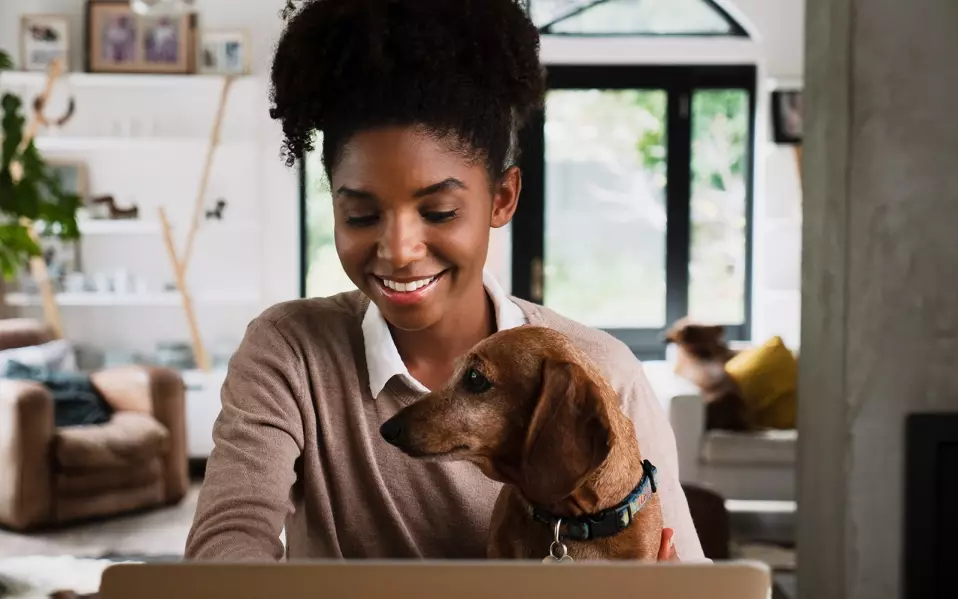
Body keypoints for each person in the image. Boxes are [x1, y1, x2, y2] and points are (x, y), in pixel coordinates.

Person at [185, 0, 704, 562]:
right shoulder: (290, 351)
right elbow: (226, 549)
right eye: (360, 215)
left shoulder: (603, 371)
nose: (399, 251)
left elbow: (684, 573)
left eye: (437, 212)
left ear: (501, 199)